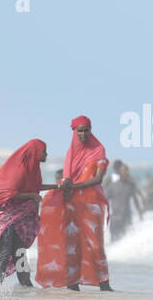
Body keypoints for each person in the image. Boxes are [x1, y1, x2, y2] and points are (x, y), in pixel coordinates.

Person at [36, 116, 113, 291]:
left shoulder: (98, 150)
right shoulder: (71, 153)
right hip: (71, 202)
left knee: (95, 244)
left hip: (92, 204)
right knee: (71, 244)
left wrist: (74, 185)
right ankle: (72, 284)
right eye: (80, 130)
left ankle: (104, 285)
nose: (84, 133)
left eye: (86, 130)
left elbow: (98, 179)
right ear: (74, 132)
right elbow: (67, 178)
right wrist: (65, 188)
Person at [0, 138, 53, 287]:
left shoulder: (31, 168)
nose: (46, 154)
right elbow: (6, 193)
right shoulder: (19, 170)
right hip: (3, 216)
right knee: (4, 253)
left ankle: (26, 285)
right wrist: (31, 196)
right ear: (35, 152)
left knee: (20, 253)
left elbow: (34, 187)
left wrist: (57, 186)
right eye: (44, 151)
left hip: (16, 218)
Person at [106, 160, 144, 241]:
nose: (126, 172)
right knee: (114, 242)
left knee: (125, 241)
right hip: (115, 219)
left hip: (126, 219)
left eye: (127, 170)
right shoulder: (112, 186)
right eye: (124, 170)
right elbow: (104, 200)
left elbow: (136, 199)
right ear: (119, 172)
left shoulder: (130, 185)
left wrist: (140, 213)